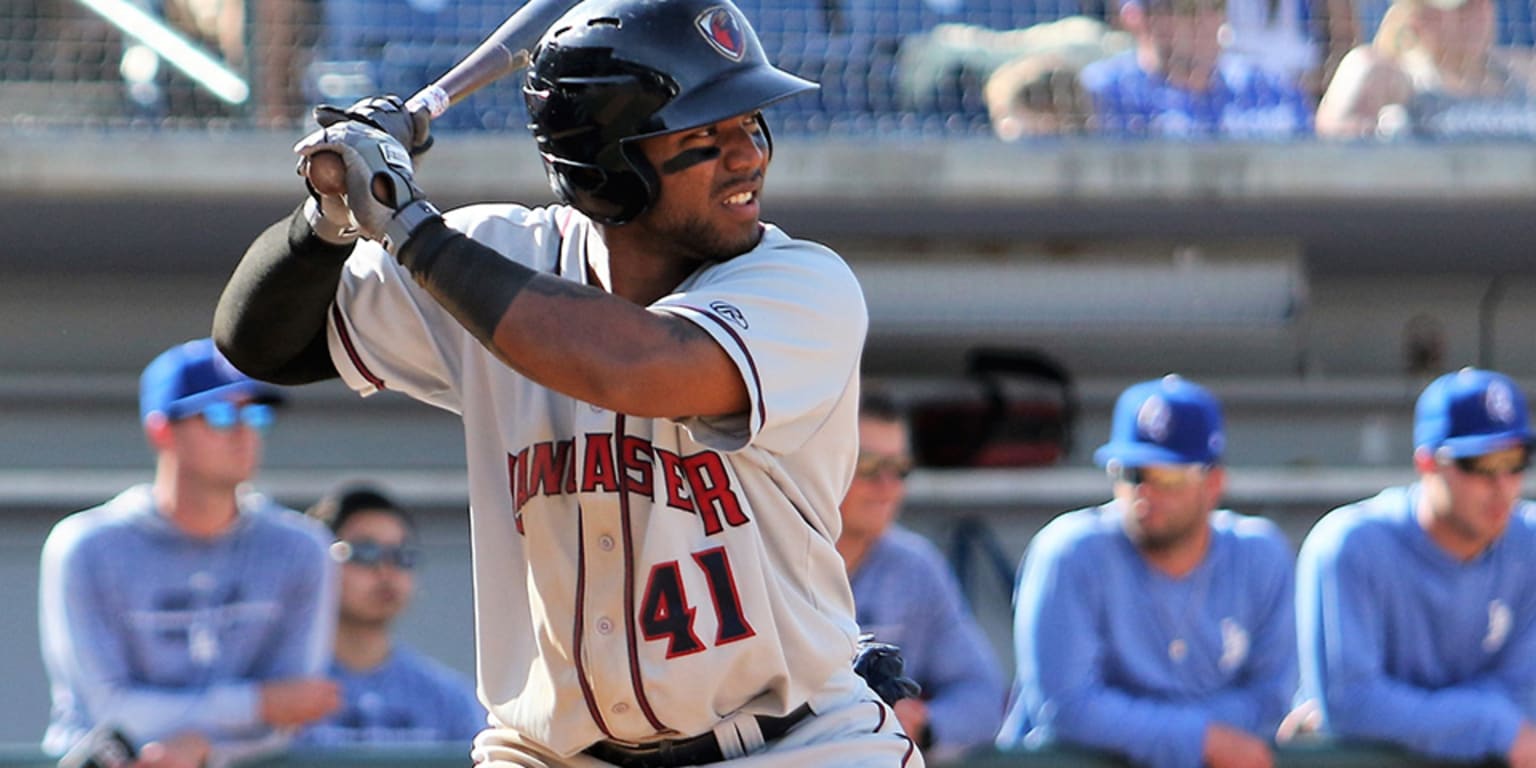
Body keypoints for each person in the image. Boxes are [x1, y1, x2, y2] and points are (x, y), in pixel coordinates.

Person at [211, 0, 924, 764]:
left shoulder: (802, 284)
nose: (747, 156)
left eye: (750, 124)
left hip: (791, 744)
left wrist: (411, 229)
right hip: (553, 752)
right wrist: (329, 214)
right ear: (609, 162)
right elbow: (262, 344)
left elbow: (638, 363)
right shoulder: (493, 257)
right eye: (705, 136)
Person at [38, 337, 340, 768]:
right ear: (161, 430)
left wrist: (204, 749)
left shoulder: (302, 546)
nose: (243, 432)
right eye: (218, 414)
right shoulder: (86, 546)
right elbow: (107, 711)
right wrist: (254, 704)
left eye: (254, 413)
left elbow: (298, 707)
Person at [996, 374, 1297, 768]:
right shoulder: (1069, 553)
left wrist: (1152, 731)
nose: (1145, 492)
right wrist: (1201, 740)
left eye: (1168, 476)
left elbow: (1271, 699)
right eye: (1131, 474)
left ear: (1214, 483)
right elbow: (1066, 708)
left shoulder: (1259, 555)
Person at [1293, 367, 1536, 765]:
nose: (1501, 484)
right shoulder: (1349, 545)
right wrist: (1492, 722)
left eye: (1515, 461)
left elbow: (1525, 699)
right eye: (1481, 464)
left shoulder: (1530, 543)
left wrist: (1401, 715)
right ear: (1427, 464)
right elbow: (1352, 704)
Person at [836, 389, 1007, 763]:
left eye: (899, 468)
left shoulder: (915, 567)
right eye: (867, 468)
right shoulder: (769, 561)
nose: (889, 487)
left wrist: (922, 724)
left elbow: (983, 696)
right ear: (820, 465)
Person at [297, 483, 487, 745]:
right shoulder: (283, 693)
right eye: (364, 552)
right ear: (314, 564)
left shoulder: (448, 699)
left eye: (402, 556)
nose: (386, 570)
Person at [1077, 0, 1314, 137]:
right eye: (1187, 8)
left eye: (1215, 5)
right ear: (1140, 17)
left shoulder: (1269, 88)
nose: (1206, 19)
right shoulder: (1102, 94)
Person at [1315, 0, 1536, 139]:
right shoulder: (1388, 77)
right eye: (1462, 8)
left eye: (1482, 3)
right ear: (1417, 18)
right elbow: (1333, 154)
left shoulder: (1522, 72)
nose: (1479, 13)